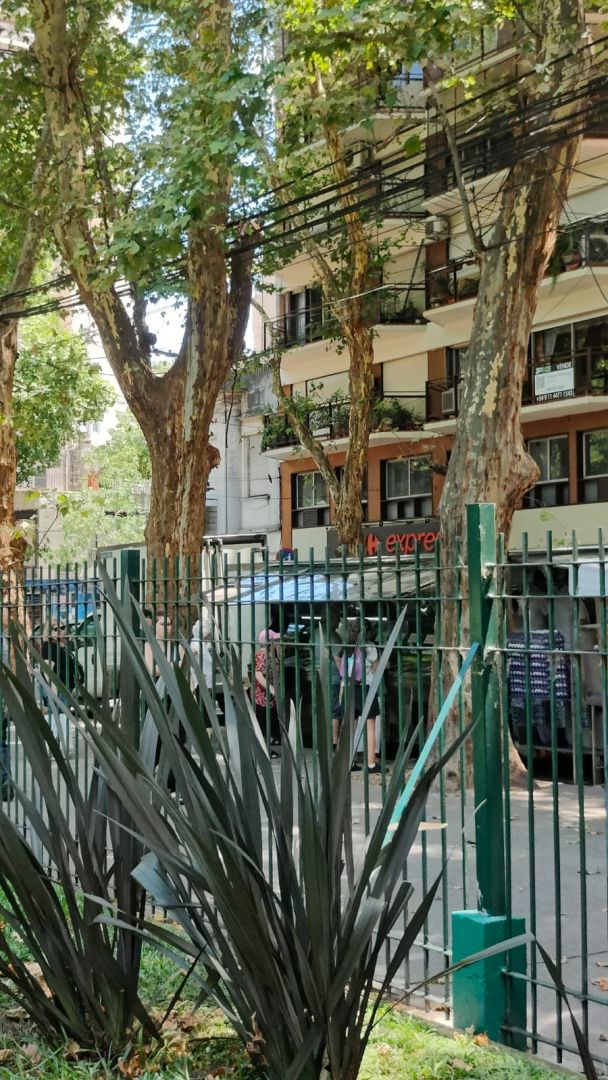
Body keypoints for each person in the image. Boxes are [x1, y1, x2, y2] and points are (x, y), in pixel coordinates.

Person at [311, 606, 344, 748]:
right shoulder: (332, 635)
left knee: (320, 709)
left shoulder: (314, 632)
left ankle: (320, 740)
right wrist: (345, 676)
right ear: (331, 618)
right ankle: (334, 741)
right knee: (334, 710)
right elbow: (338, 658)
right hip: (332, 677)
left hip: (317, 676)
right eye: (337, 618)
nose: (339, 621)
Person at [254, 629, 281, 756]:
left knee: (268, 722)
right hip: (263, 697)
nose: (277, 642)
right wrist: (271, 689)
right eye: (274, 640)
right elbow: (258, 675)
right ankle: (264, 750)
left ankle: (267, 747)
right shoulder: (262, 656)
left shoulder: (270, 655)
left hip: (268, 697)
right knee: (263, 724)